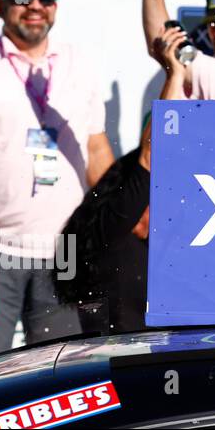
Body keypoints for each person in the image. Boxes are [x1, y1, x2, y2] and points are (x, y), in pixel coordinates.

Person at [0, 0, 115, 357]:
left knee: (59, 372)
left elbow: (97, 148)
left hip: (63, 251)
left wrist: (113, 223)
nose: (35, 5)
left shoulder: (79, 63)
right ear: (1, 6)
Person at [57, 110, 160, 336]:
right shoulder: (111, 230)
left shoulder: (155, 245)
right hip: (114, 361)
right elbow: (151, 155)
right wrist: (175, 80)